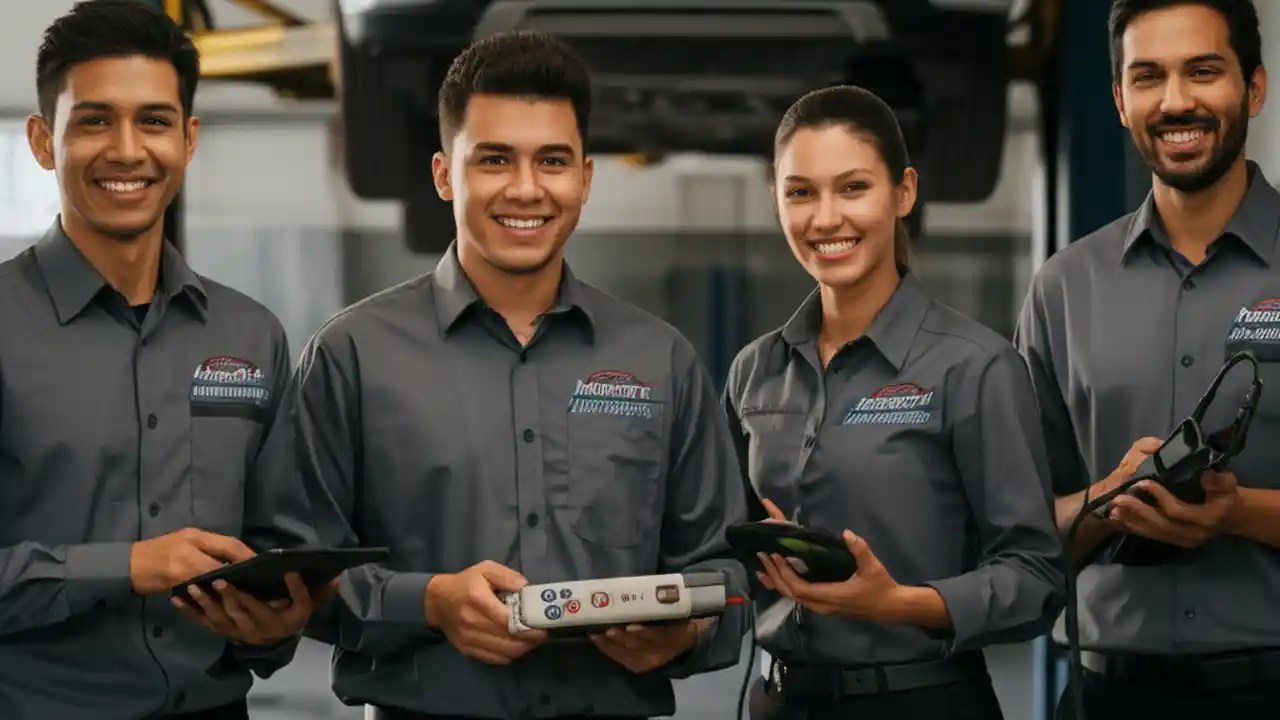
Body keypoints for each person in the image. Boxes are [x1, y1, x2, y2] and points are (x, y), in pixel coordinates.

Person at [291, 30, 749, 720]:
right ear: (446, 174)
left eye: (553, 161)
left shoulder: (663, 360)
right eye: (496, 160)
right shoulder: (352, 355)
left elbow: (725, 569)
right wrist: (430, 603)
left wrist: (686, 632)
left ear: (585, 178)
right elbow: (296, 573)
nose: (527, 189)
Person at [0, 2, 323, 718]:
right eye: (94, 120)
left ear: (188, 137)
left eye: (152, 120)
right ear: (43, 140)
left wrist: (276, 626)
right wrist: (131, 565)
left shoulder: (249, 334)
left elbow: (279, 549)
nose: (126, 149)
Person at [723, 85, 1065, 720]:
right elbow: (724, 552)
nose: (826, 218)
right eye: (801, 192)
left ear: (903, 192)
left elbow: (1035, 582)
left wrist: (898, 603)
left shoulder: (976, 367)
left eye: (853, 187)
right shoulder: (754, 370)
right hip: (777, 701)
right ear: (777, 202)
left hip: (921, 702)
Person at [1015, 0, 1280, 717]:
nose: (1176, 101)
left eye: (1202, 71)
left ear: (1253, 88)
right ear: (1120, 100)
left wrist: (1240, 514)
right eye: (1148, 77)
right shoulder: (1064, 286)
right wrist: (1110, 501)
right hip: (1106, 695)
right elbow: (1021, 537)